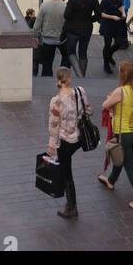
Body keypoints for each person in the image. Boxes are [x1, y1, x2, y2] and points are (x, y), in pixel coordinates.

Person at [98, 63, 133, 211]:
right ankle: (111, 180)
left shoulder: (120, 91)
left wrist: (110, 97)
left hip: (123, 132)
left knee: (130, 166)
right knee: (123, 155)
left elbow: (105, 105)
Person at [46, 65, 92, 220]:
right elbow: (88, 111)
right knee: (67, 169)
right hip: (79, 138)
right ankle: (71, 206)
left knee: (67, 174)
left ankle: (71, 207)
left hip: (65, 141)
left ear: (58, 80)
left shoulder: (56, 101)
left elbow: (54, 126)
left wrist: (51, 147)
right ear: (69, 78)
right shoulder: (80, 91)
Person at [63, 0, 100, 76]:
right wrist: (89, 20)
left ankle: (79, 74)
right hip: (86, 29)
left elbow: (66, 15)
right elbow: (98, 15)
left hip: (72, 30)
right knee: (83, 53)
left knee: (71, 52)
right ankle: (82, 76)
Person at [33, 0, 70, 77]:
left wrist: (35, 37)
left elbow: (37, 25)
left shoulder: (44, 5)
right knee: (66, 56)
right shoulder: (65, 6)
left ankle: (47, 79)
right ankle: (63, 75)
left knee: (47, 63)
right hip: (62, 39)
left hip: (47, 40)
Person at [99, 0, 128, 73]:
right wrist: (112, 17)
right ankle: (106, 63)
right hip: (107, 24)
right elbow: (101, 13)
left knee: (118, 43)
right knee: (107, 44)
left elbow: (120, 5)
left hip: (117, 24)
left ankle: (109, 55)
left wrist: (123, 12)